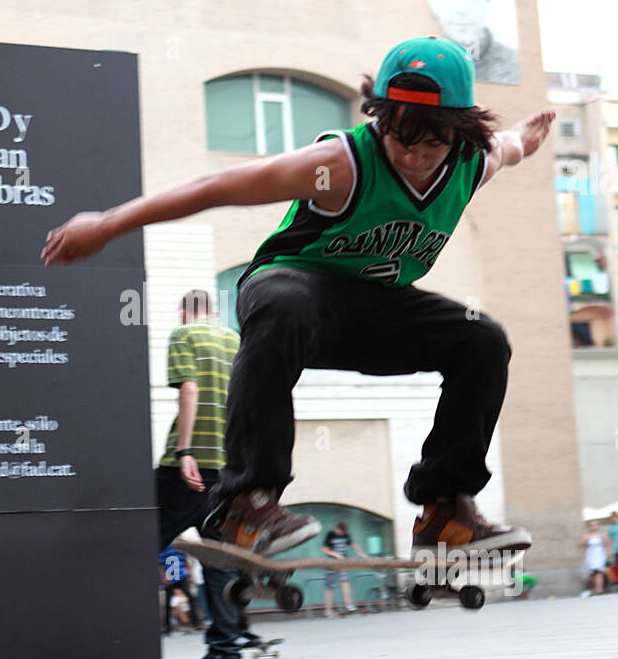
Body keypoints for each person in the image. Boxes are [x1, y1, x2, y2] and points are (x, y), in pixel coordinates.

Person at [43, 36, 551, 565]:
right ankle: (247, 502)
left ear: (460, 132)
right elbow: (215, 186)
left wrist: (524, 137)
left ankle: (445, 510)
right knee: (285, 299)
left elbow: (509, 145)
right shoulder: (340, 162)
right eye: (402, 140)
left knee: (481, 338)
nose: (416, 158)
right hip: (295, 292)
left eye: (432, 145)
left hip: (379, 311)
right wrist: (107, 224)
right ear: (381, 120)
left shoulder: (472, 161)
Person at [150, 289, 257, 659]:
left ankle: (110, 639)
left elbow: (190, 389)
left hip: (187, 469)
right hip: (229, 469)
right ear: (212, 311)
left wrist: (185, 452)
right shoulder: (234, 338)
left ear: (184, 312)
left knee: (136, 543)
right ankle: (225, 652)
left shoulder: (183, 335)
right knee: (219, 559)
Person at [321, 520, 368, 617]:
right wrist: (336, 555)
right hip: (331, 563)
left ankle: (349, 605)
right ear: (337, 529)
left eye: (342, 532)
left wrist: (361, 553)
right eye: (340, 532)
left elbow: (353, 544)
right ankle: (328, 610)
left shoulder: (346, 534)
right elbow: (324, 549)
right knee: (330, 587)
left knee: (345, 582)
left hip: (342, 563)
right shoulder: (330, 534)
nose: (341, 534)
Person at [581, 520, 609, 595]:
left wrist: (605, 540)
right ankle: (595, 589)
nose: (593, 527)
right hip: (591, 555)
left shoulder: (601, 535)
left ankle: (599, 589)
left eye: (595, 525)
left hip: (599, 555)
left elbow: (608, 543)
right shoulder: (587, 536)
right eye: (591, 525)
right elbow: (581, 545)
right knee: (593, 573)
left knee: (598, 572)